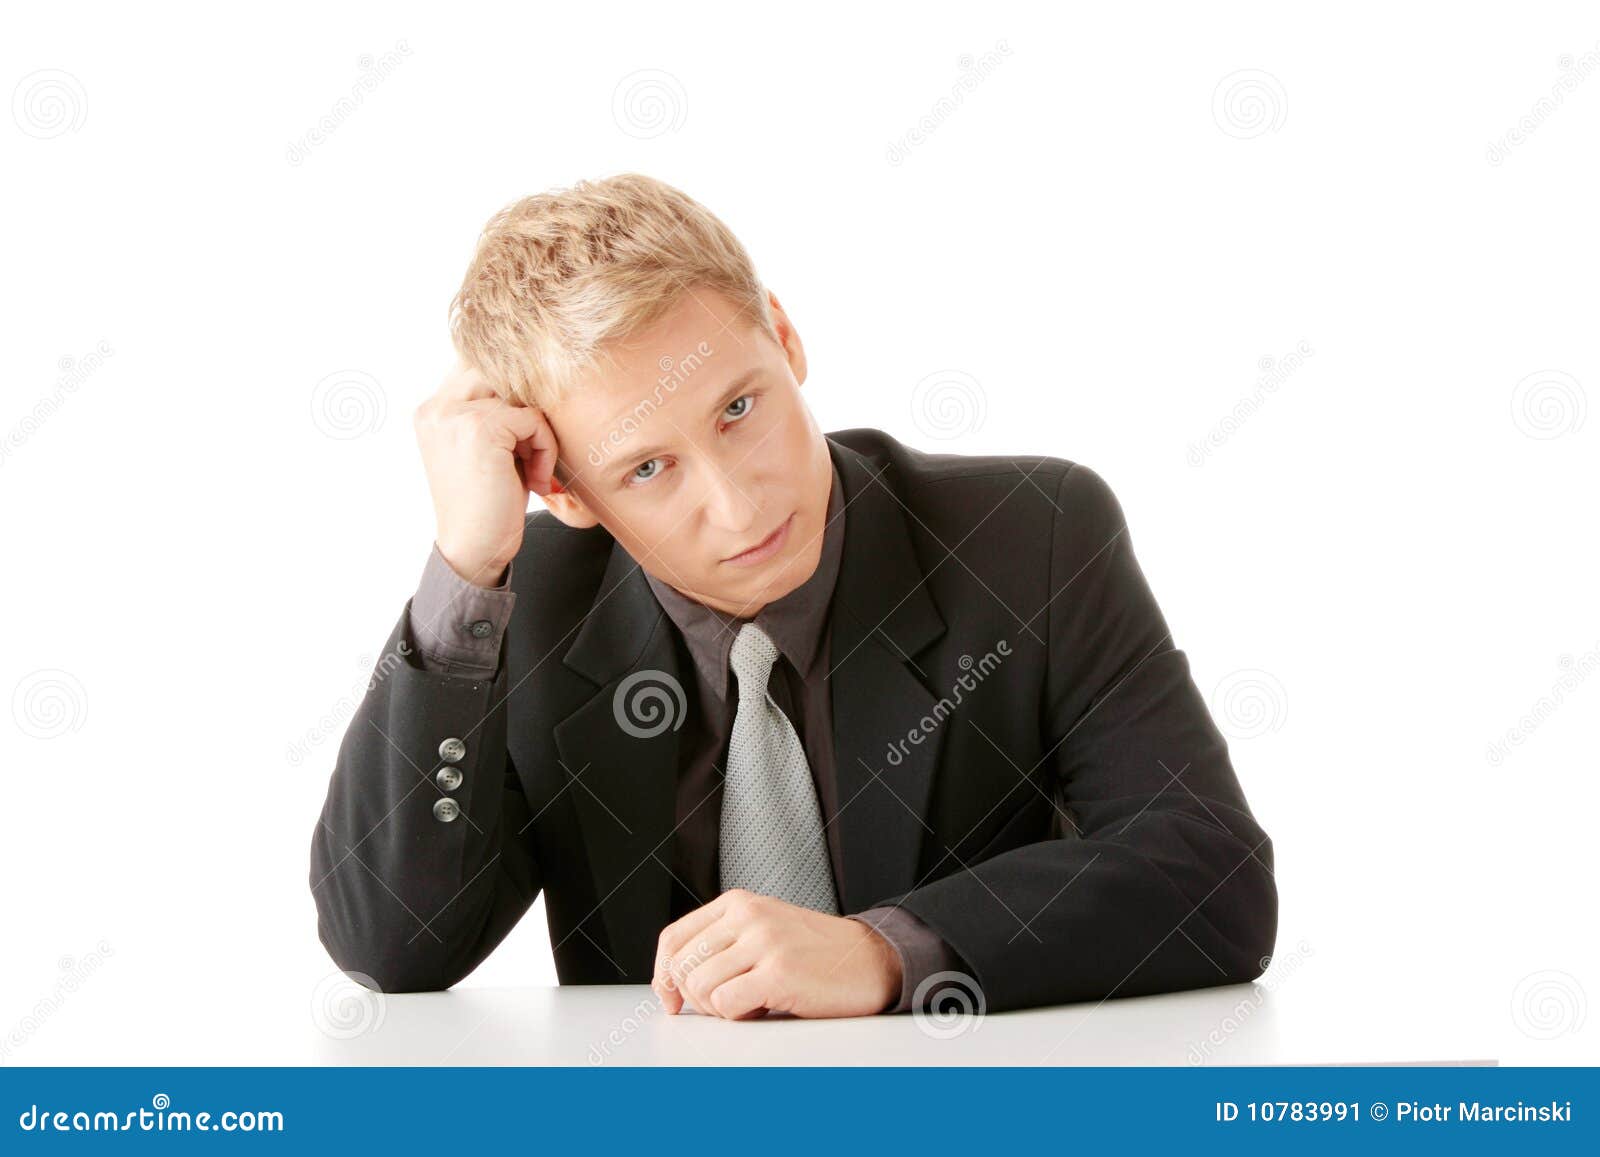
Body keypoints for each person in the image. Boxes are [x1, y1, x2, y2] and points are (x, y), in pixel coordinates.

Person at [308, 173, 1277, 1019]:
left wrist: (891, 948)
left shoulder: (1032, 535)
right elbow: (390, 947)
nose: (738, 506)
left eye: (738, 407)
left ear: (784, 335)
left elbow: (1212, 874)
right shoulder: (529, 611)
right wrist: (466, 571)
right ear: (562, 490)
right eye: (647, 467)